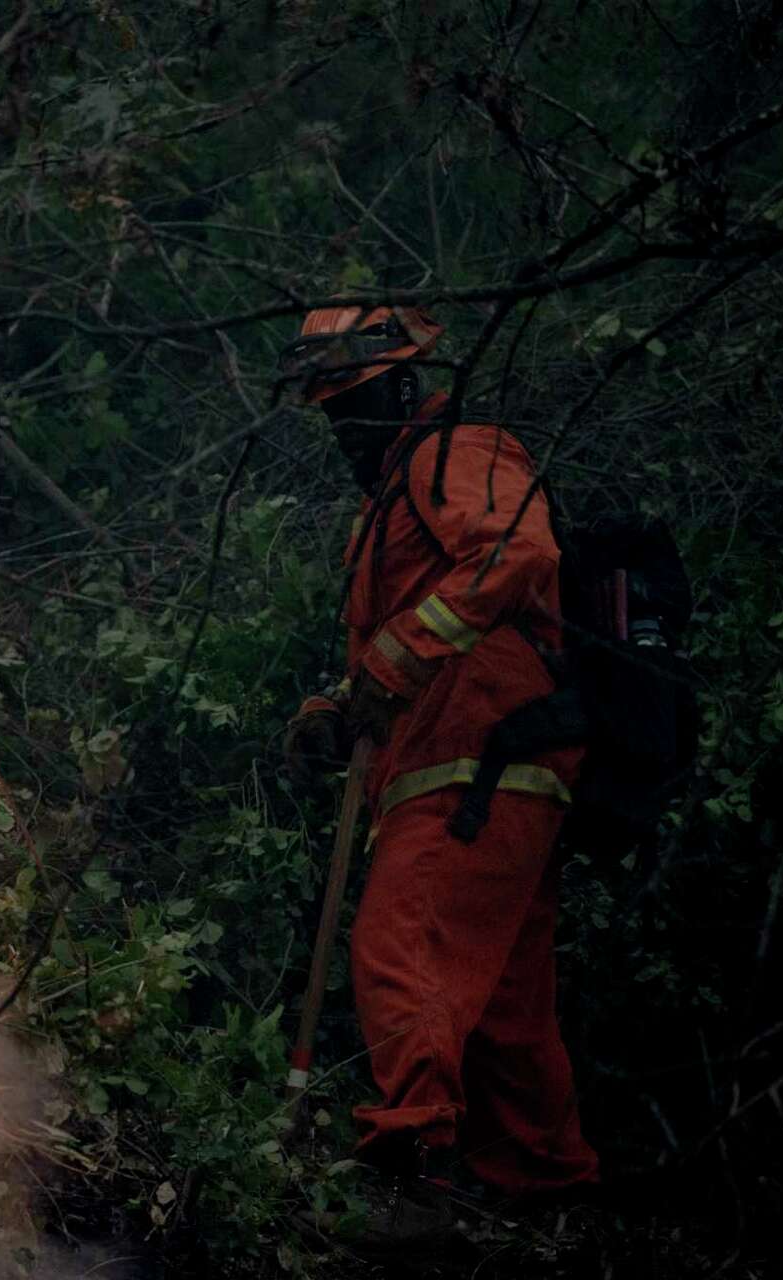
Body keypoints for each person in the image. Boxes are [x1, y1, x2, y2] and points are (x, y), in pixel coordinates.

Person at [277, 304, 600, 1251]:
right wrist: (342, 704)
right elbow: (408, 635)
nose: (348, 430)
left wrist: (392, 663)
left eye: (361, 405)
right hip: (465, 763)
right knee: (500, 1000)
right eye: (335, 414)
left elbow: (518, 554)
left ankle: (408, 1166)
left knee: (402, 941)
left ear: (408, 389)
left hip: (481, 756)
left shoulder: (451, 453)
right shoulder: (398, 499)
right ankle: (546, 1195)